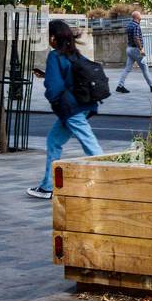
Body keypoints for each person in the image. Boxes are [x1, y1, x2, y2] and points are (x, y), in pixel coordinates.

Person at [27, 20, 103, 200]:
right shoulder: (74, 54)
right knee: (54, 140)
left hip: (72, 109)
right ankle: (47, 186)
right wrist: (47, 75)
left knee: (90, 145)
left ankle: (110, 179)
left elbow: (54, 87)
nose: (48, 39)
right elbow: (70, 78)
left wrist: (56, 101)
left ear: (54, 37)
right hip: (84, 105)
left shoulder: (55, 56)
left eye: (49, 35)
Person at [115, 11, 152, 94]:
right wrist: (141, 49)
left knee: (127, 69)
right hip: (136, 50)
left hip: (129, 49)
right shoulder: (136, 26)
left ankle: (120, 86)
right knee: (145, 69)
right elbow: (136, 38)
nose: (141, 16)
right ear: (137, 17)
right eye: (140, 15)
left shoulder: (129, 25)